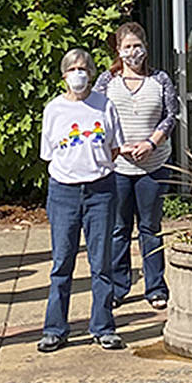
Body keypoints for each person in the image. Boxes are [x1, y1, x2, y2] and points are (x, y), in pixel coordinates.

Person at [38, 48, 125, 351]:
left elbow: (114, 146)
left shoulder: (105, 106)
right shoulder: (54, 110)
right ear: (64, 75)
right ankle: (55, 328)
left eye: (84, 68)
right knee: (62, 262)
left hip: (100, 190)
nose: (79, 73)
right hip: (64, 191)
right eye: (73, 68)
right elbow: (48, 152)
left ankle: (103, 326)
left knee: (101, 263)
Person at [98, 21, 179, 311]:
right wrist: (117, 148)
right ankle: (119, 286)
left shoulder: (160, 80)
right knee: (119, 228)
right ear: (118, 50)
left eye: (137, 45)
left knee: (150, 227)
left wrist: (151, 143)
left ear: (145, 47)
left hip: (153, 167)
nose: (133, 52)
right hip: (118, 167)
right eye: (127, 47)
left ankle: (155, 287)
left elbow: (171, 115)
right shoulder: (107, 82)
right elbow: (97, 119)